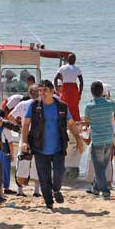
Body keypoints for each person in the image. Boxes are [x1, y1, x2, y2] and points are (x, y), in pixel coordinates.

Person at [21, 80, 82, 209]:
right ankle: (49, 203)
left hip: (58, 147)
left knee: (60, 172)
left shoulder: (62, 107)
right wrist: (25, 142)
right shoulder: (34, 106)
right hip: (39, 147)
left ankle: (56, 189)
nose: (41, 93)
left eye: (44, 90)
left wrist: (78, 139)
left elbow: (71, 124)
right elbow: (26, 124)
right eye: (40, 91)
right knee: (44, 178)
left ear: (52, 91)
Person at [82, 81, 115, 199]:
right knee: (103, 165)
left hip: (97, 140)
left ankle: (105, 191)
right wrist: (111, 102)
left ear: (92, 93)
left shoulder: (89, 106)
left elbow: (87, 123)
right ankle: (95, 188)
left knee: (99, 167)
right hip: (109, 139)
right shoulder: (109, 104)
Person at [10, 86, 41, 197]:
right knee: (37, 163)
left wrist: (19, 125)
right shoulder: (42, 104)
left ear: (29, 93)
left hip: (24, 135)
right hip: (38, 137)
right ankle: (37, 191)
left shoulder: (22, 104)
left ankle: (20, 190)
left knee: (21, 162)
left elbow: (10, 116)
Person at [54, 54, 84, 121]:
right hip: (74, 89)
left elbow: (55, 78)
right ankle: (75, 122)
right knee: (74, 107)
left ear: (67, 60)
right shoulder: (77, 69)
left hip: (66, 88)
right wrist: (80, 93)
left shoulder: (63, 68)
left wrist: (57, 90)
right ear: (75, 60)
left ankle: (64, 121)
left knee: (64, 106)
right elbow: (81, 82)